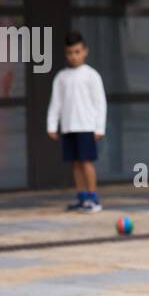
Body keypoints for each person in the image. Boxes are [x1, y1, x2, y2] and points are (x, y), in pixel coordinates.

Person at [46, 31, 106, 212]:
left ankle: (93, 198)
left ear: (85, 51)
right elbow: (55, 102)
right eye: (70, 52)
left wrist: (99, 127)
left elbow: (100, 103)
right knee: (75, 163)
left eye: (77, 52)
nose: (73, 56)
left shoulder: (92, 76)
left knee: (86, 161)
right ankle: (81, 197)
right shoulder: (61, 77)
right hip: (69, 126)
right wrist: (51, 124)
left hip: (86, 126)